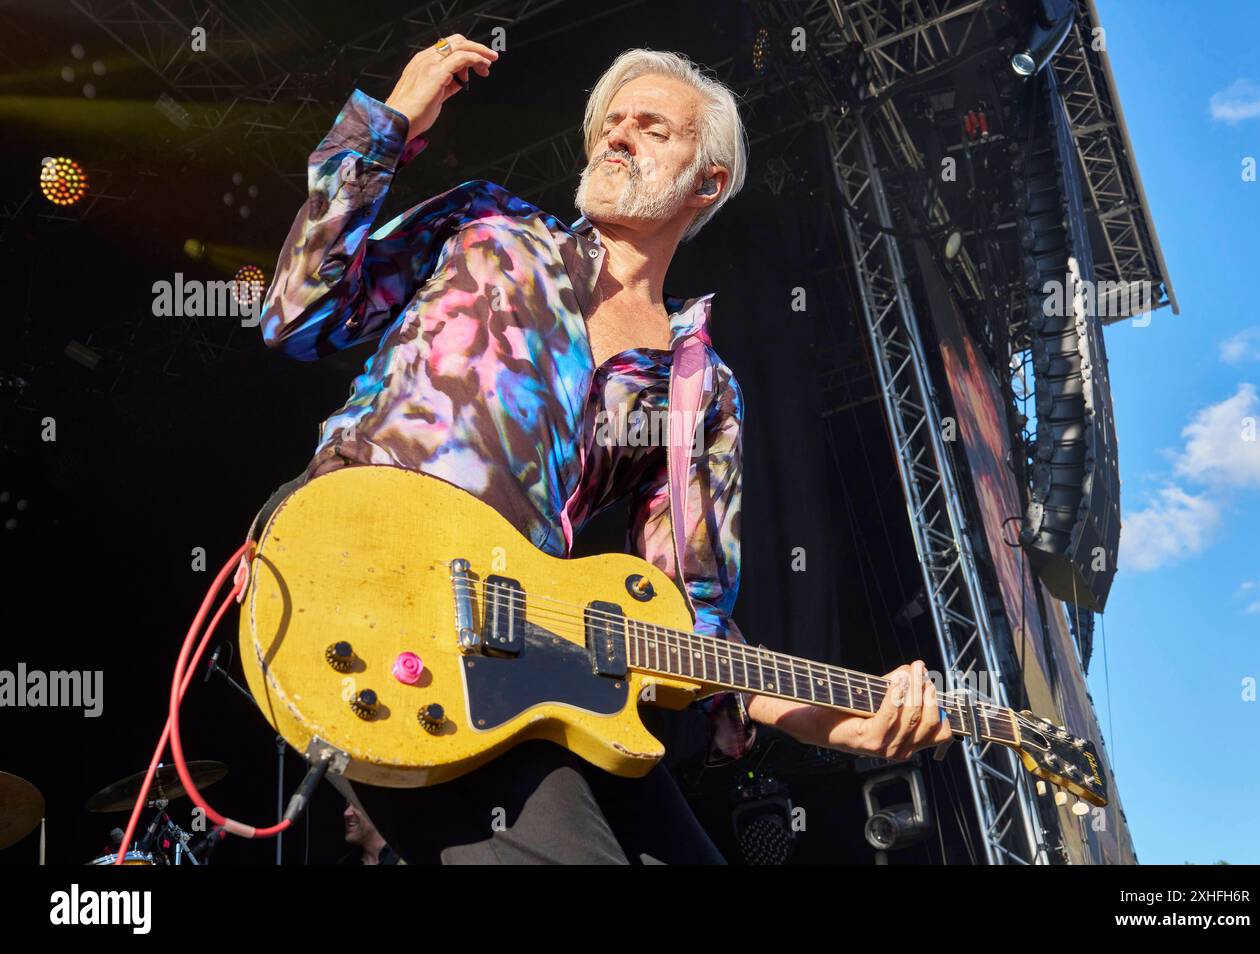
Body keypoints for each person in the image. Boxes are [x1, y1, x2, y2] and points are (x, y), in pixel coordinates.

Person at [251, 39, 952, 864]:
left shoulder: (699, 386)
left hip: (520, 642)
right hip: (363, 565)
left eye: (653, 128)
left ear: (708, 183)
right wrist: (388, 120)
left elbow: (690, 623)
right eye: (611, 122)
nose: (618, 135)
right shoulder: (489, 230)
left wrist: (843, 722)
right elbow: (298, 312)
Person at [336, 803, 403, 865]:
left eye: (356, 805)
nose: (346, 813)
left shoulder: (405, 858)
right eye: (347, 805)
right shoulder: (346, 861)